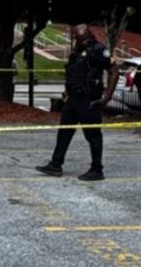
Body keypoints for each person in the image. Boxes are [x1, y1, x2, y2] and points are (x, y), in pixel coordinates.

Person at [36, 24, 120, 181]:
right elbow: (73, 71)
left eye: (80, 40)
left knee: (93, 135)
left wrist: (107, 96)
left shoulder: (99, 51)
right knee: (64, 132)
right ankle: (55, 164)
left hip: (89, 98)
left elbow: (114, 71)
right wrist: (67, 90)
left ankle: (97, 169)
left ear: (88, 38)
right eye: (76, 39)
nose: (77, 42)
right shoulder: (77, 51)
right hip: (73, 98)